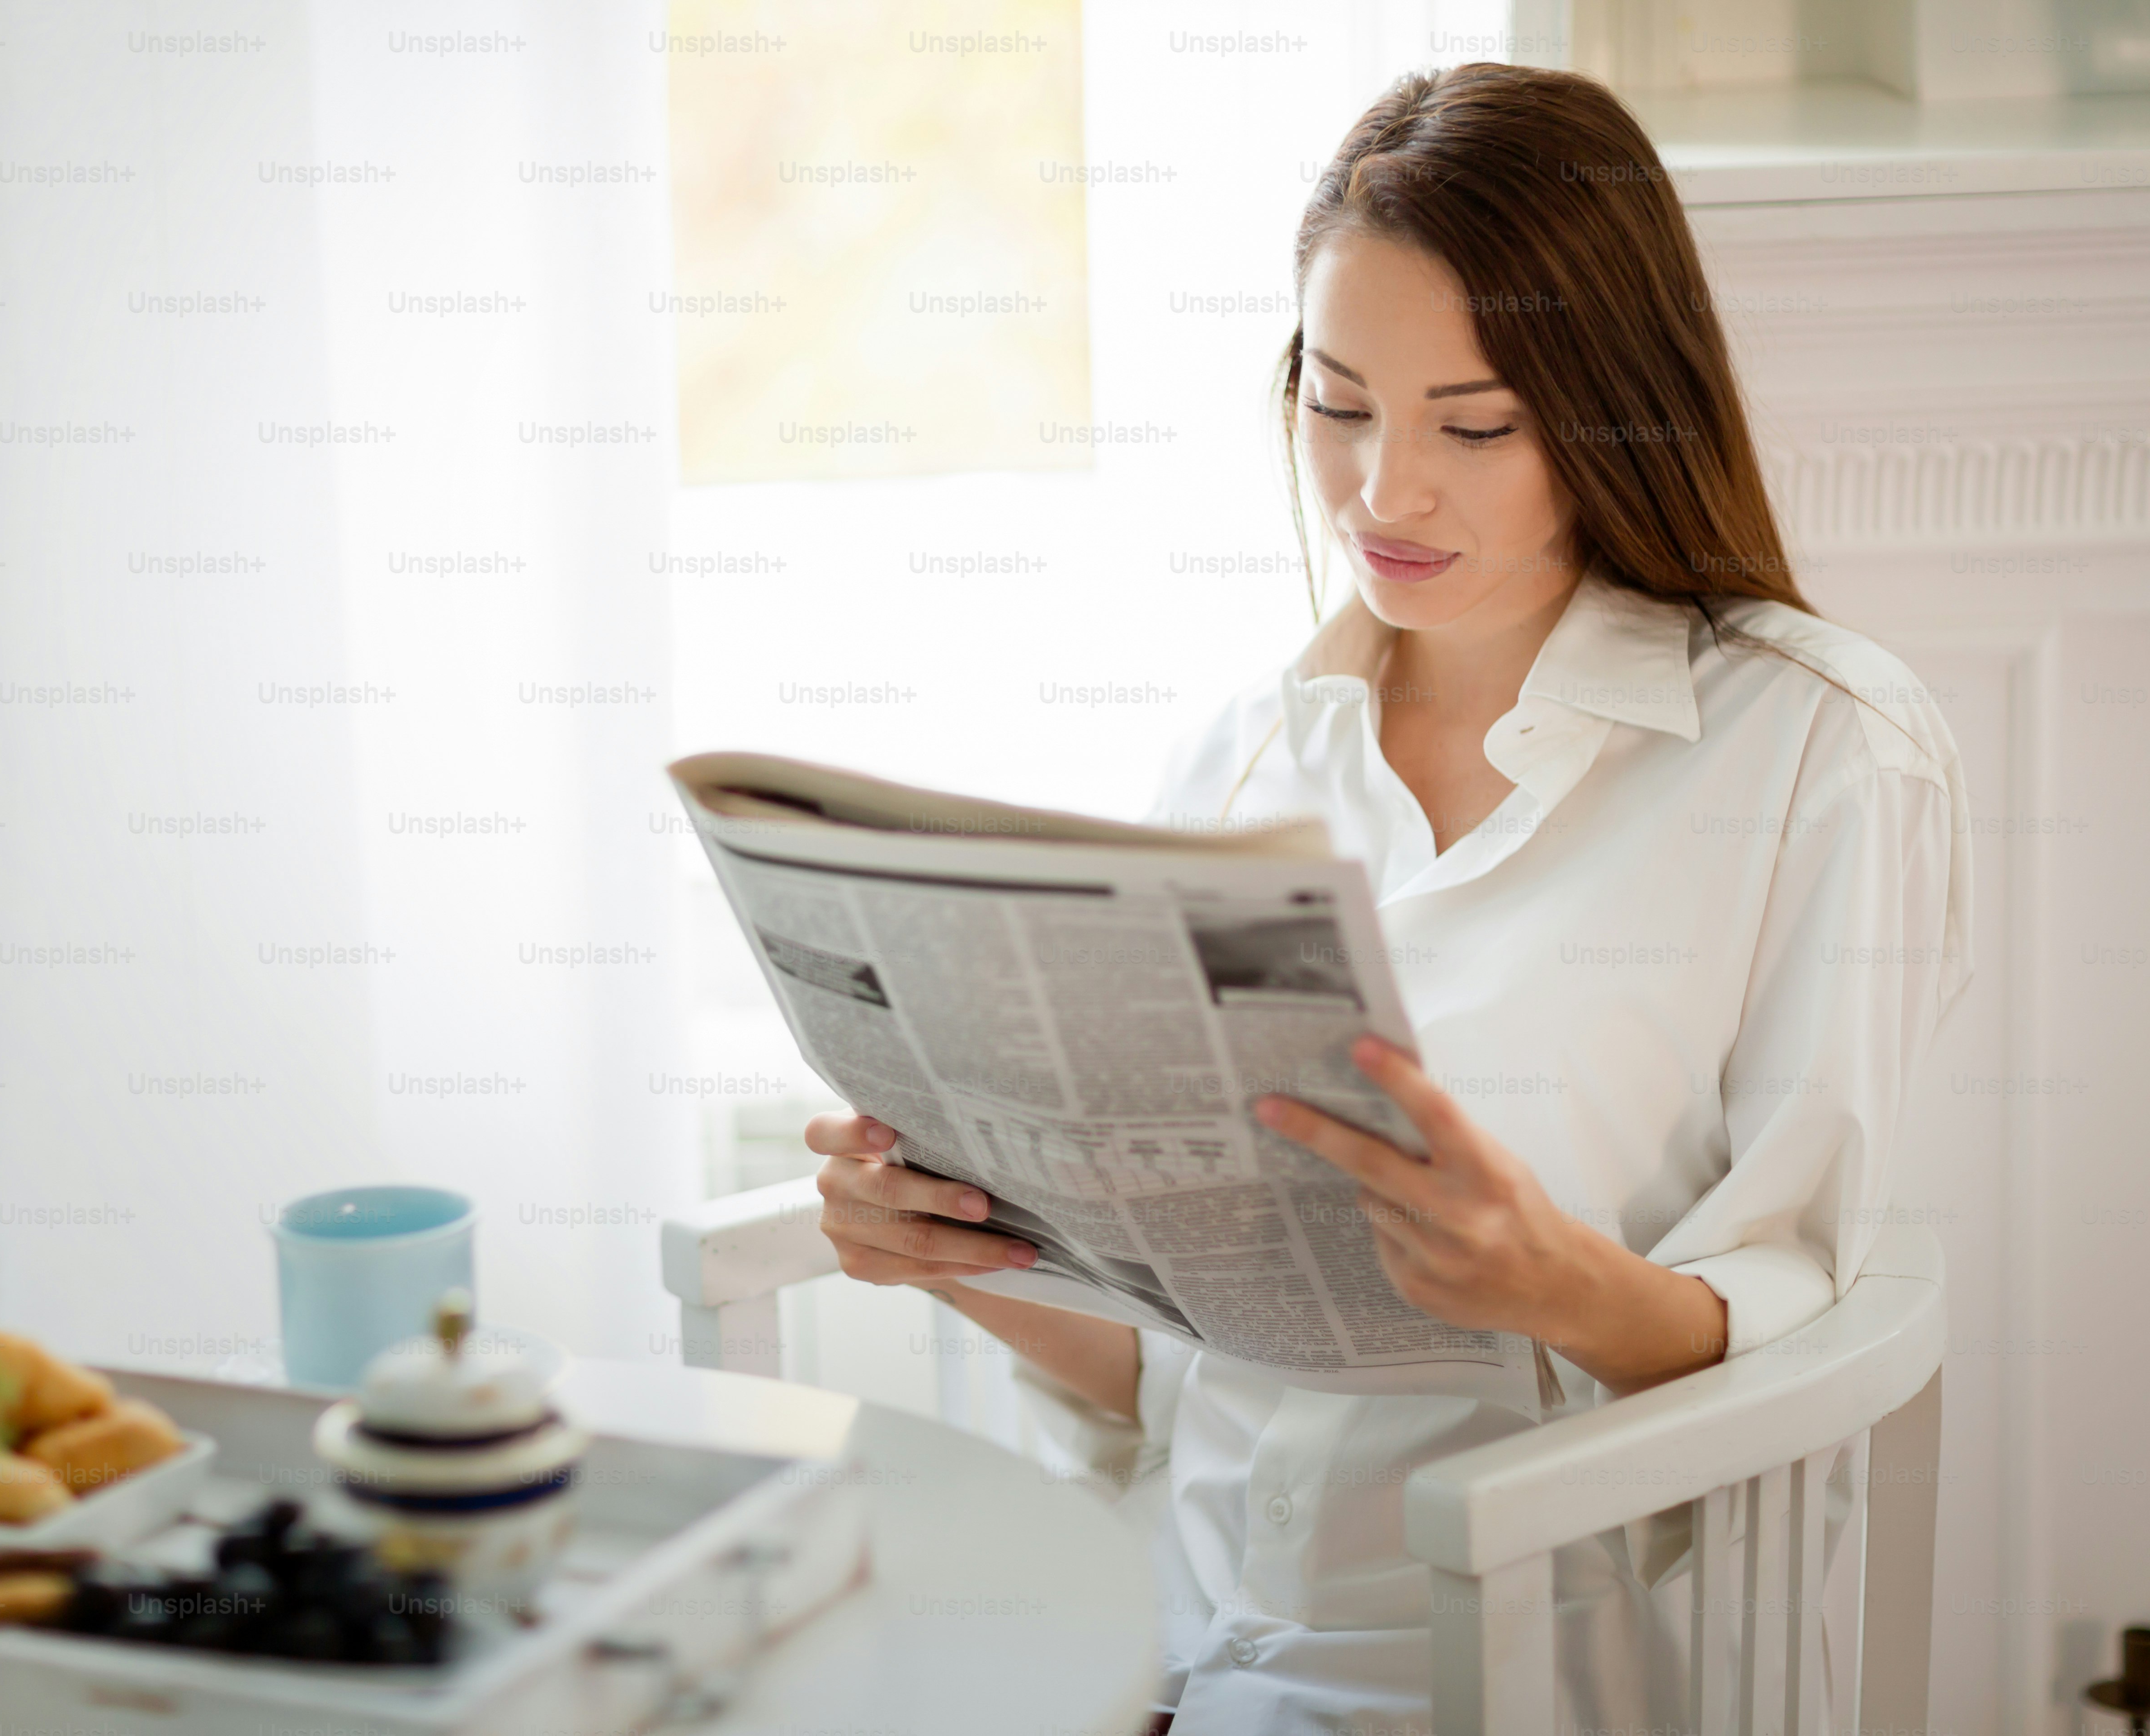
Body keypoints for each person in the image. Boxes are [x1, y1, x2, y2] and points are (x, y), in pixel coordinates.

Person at [803, 62, 1972, 1735]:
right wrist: (957, 1254)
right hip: (1164, 1647)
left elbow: (1803, 1323)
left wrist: (1550, 1282)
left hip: (1507, 1667)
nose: (1382, 494)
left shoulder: (1817, 753)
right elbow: (1182, 1372)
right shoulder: (1238, 761)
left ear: (1618, 406)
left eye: (1473, 425)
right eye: (1338, 403)